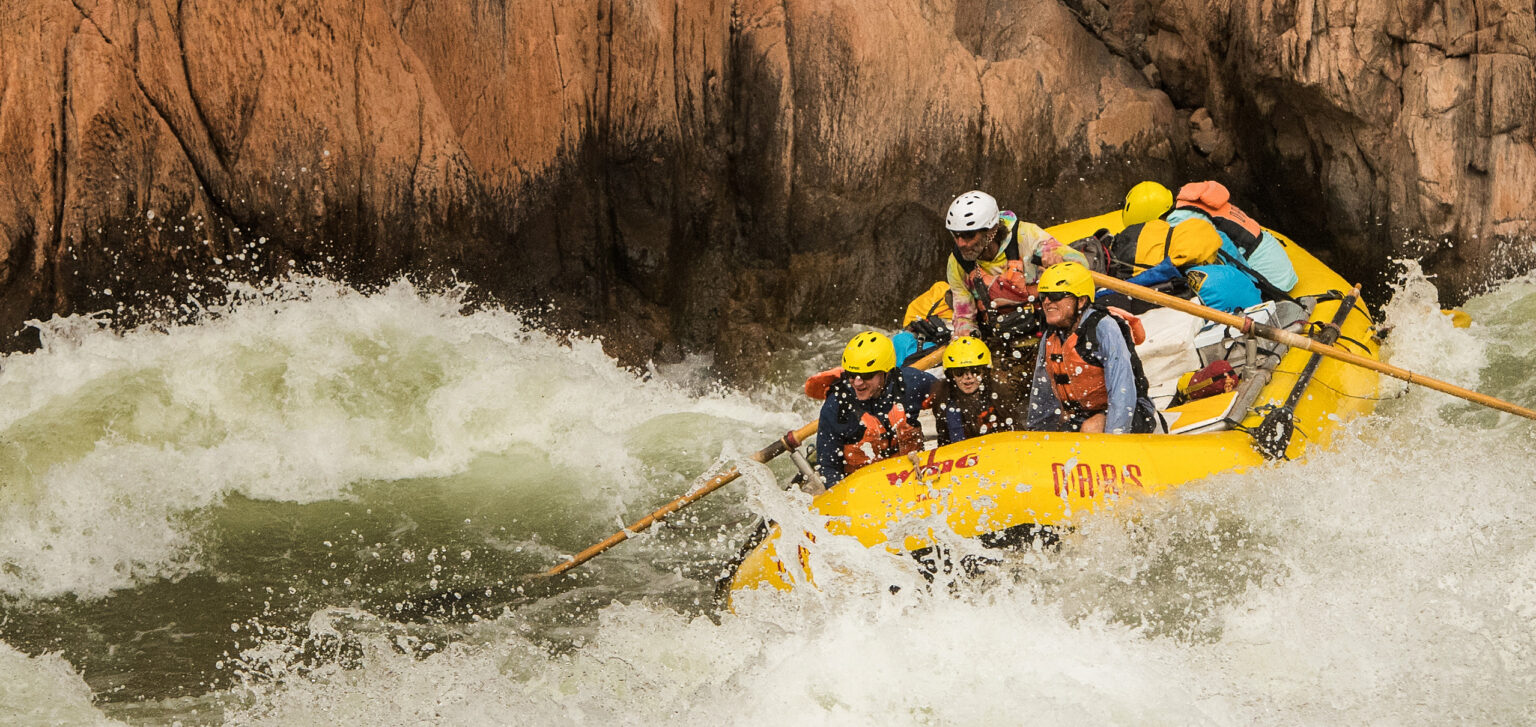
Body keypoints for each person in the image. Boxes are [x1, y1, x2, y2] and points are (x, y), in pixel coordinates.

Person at [943, 190, 1087, 409]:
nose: (961, 243)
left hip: (1047, 334)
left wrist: (1059, 261)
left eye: (969, 235)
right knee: (992, 392)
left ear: (990, 231)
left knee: (1061, 382)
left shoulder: (1026, 236)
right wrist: (965, 339)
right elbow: (964, 315)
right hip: (1002, 344)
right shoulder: (957, 263)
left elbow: (1081, 265)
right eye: (956, 235)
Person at [1027, 262, 1160, 434]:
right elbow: (1042, 393)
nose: (1047, 302)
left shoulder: (1104, 328)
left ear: (1081, 301)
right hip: (1082, 415)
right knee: (1060, 434)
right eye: (1043, 296)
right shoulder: (1050, 337)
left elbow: (1122, 390)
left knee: (1091, 428)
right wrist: (1037, 436)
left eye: (1056, 295)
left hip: (1132, 412)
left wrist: (1116, 437)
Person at [1123, 180, 1298, 295]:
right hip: (1278, 263)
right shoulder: (1188, 201)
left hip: (1271, 281)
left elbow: (1217, 253)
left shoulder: (1180, 221)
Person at [814, 331, 939, 487]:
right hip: (865, 486)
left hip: (912, 475)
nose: (857, 383)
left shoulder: (911, 382)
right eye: (852, 374)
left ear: (886, 373)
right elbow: (828, 467)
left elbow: (950, 399)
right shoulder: (837, 405)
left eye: (867, 375)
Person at [932, 336, 1022, 445]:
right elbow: (949, 444)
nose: (968, 377)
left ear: (985, 372)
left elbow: (1016, 435)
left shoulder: (1000, 396)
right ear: (951, 375)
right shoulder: (945, 403)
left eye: (975, 371)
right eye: (959, 372)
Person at [893, 281, 954, 366]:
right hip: (920, 342)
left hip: (946, 350)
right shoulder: (940, 292)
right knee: (900, 340)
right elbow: (912, 316)